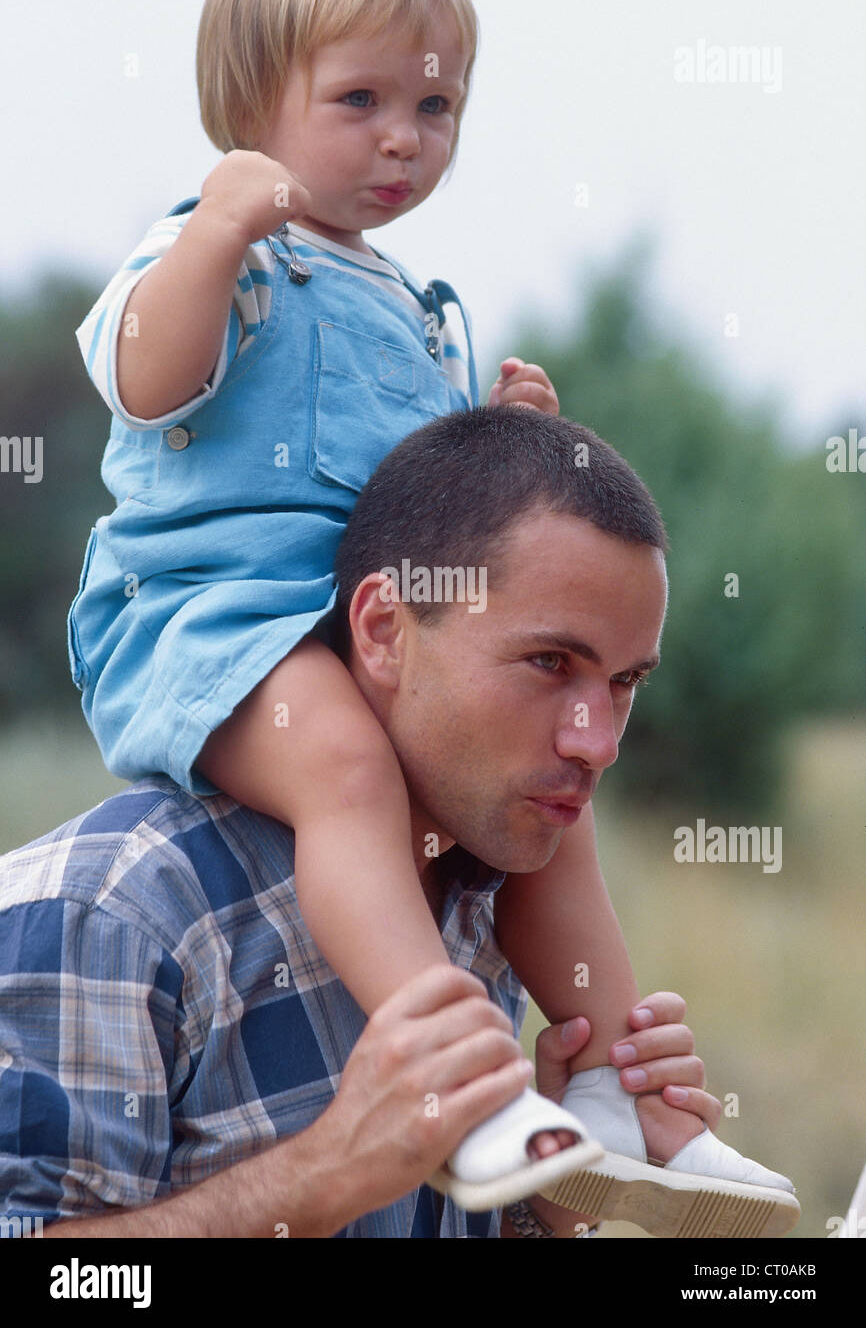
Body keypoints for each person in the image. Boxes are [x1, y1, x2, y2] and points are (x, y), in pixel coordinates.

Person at [67, 0, 797, 1222]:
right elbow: (145, 380)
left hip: (353, 630)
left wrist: (501, 422)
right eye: (360, 101)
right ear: (251, 106)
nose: (403, 138)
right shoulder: (215, 255)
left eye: (434, 105)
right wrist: (223, 224)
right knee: (347, 770)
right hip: (210, 623)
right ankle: (454, 1089)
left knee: (539, 826)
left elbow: (442, 500)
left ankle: (630, 1102)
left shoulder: (418, 309)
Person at [3, 410, 766, 1238]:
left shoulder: (485, 904)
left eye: (624, 682)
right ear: (381, 632)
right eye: (550, 663)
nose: (600, 742)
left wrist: (544, 1205)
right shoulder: (108, 911)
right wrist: (320, 1178)